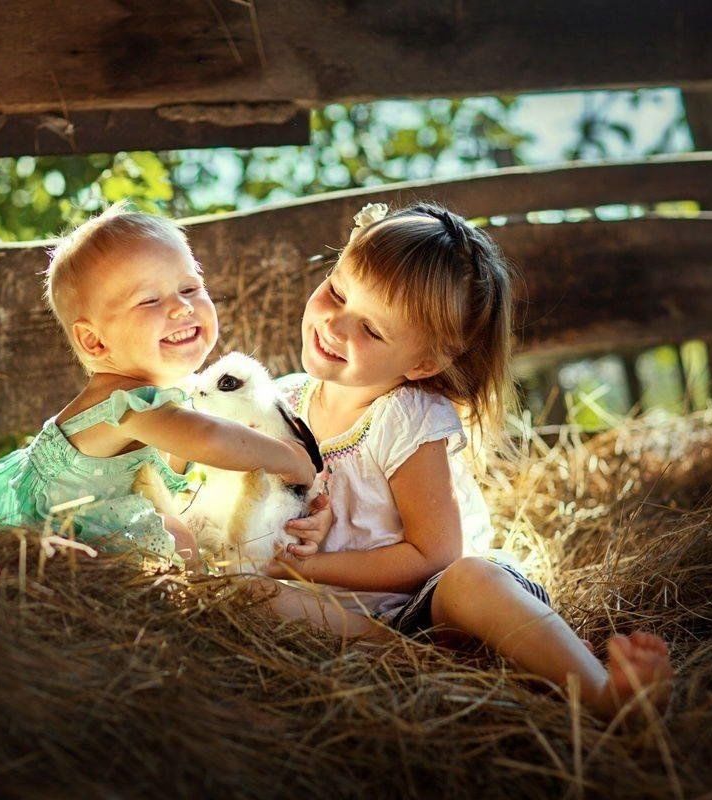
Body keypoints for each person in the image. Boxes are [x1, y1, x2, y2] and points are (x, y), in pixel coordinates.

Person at [262, 201, 672, 720]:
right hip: (343, 622)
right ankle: (404, 664)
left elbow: (433, 556)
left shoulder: (406, 418)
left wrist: (313, 568)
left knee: (471, 579)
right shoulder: (282, 400)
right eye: (338, 292)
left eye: (373, 330)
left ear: (423, 363)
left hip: (426, 611)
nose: (336, 325)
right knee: (242, 592)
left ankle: (603, 694)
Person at [0, 202, 316, 567]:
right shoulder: (125, 402)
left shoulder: (178, 396)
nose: (181, 308)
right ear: (95, 342)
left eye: (190, 288)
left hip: (104, 527)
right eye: (150, 300)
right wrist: (285, 458)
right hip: (59, 538)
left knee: (194, 526)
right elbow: (207, 439)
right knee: (179, 542)